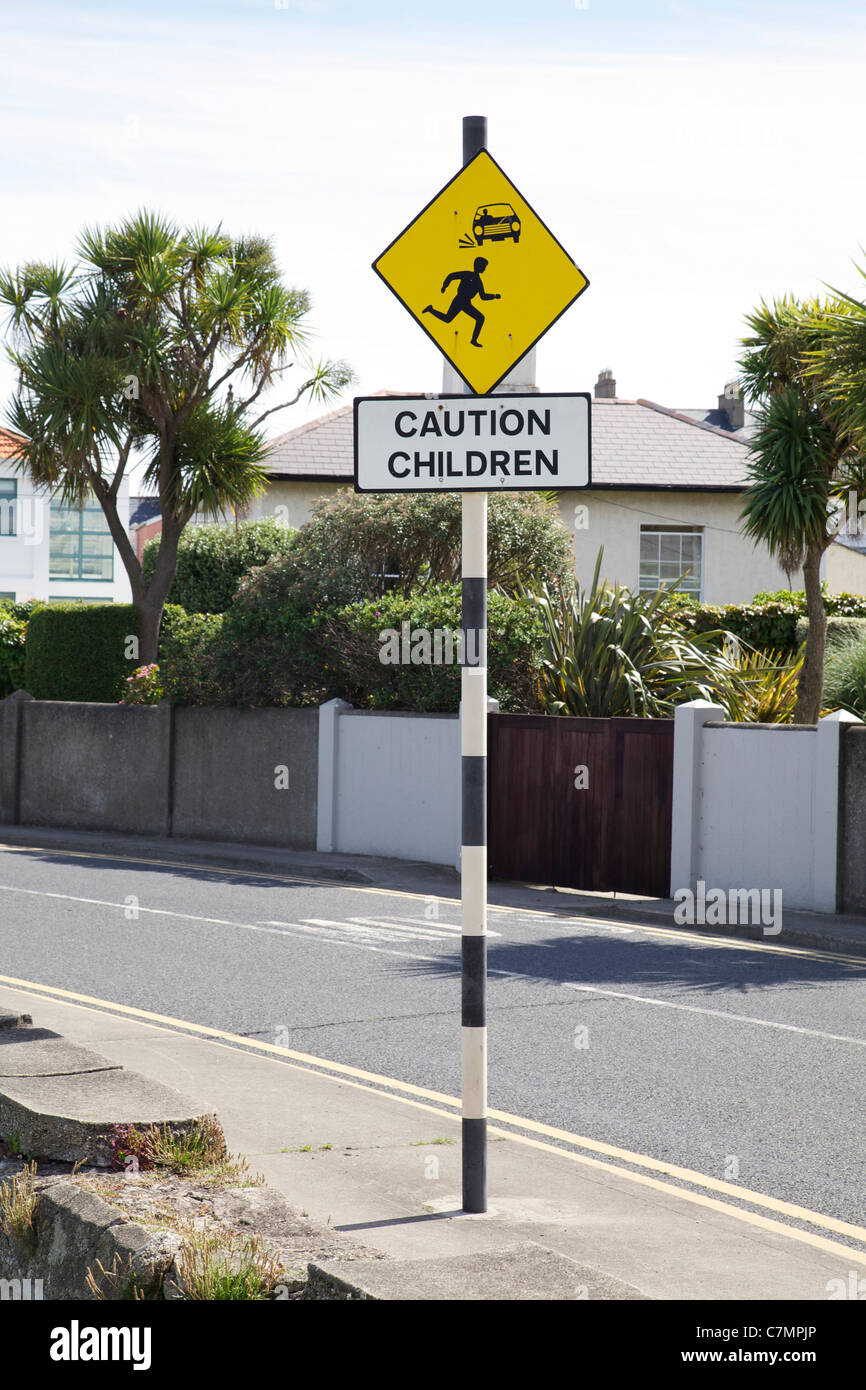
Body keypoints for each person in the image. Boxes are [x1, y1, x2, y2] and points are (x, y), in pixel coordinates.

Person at [423, 256, 500, 346]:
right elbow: (451, 276)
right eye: (484, 266)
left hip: (466, 302)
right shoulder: (467, 274)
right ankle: (431, 310)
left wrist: (494, 296)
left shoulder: (479, 281)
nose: (484, 269)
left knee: (451, 318)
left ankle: (431, 310)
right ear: (478, 266)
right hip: (459, 300)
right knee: (451, 318)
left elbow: (483, 296)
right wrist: (445, 286)